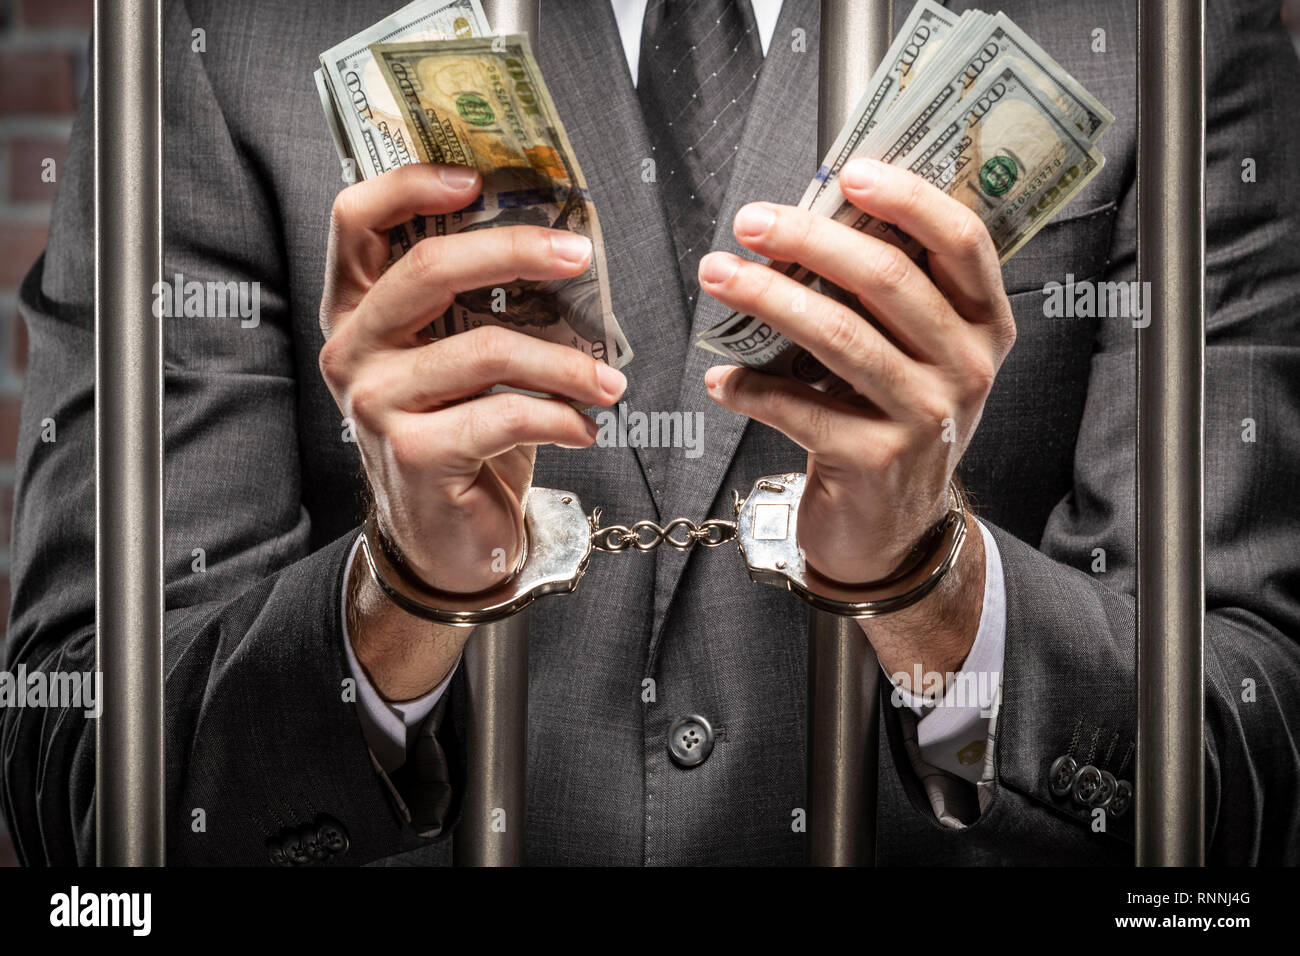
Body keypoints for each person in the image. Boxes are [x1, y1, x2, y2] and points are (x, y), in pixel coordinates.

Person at [3, 0, 1298, 866]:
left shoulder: (1161, 26)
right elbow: (78, 786)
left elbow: (1254, 756)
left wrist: (931, 583)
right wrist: (397, 601)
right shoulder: (214, 29)